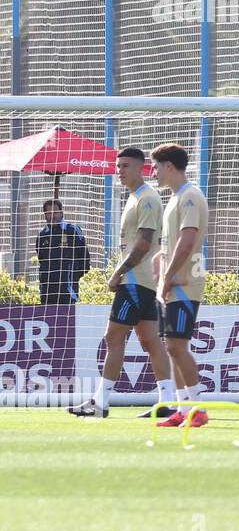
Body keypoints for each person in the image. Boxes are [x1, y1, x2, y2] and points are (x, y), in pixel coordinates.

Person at [68, 148, 174, 419]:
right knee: (151, 341)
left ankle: (100, 403)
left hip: (136, 281)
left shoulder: (148, 198)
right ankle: (167, 401)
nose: (120, 170)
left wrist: (118, 272)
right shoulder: (134, 197)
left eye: (126, 166)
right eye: (118, 166)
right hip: (144, 282)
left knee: (113, 337)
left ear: (142, 169)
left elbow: (144, 242)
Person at [151, 143, 212, 429]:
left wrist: (168, 274)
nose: (153, 173)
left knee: (176, 345)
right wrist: (159, 260)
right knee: (171, 346)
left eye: (155, 167)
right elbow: (172, 241)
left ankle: (198, 408)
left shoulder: (190, 196)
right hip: (174, 282)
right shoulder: (175, 198)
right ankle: (182, 408)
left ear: (169, 166)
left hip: (185, 283)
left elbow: (188, 240)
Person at [35, 199, 90, 304]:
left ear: (61, 213)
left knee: (68, 318)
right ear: (44, 215)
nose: (52, 216)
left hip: (68, 290)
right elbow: (41, 258)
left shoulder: (72, 230)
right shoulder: (42, 235)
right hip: (47, 290)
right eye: (48, 213)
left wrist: (73, 275)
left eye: (55, 212)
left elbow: (84, 257)